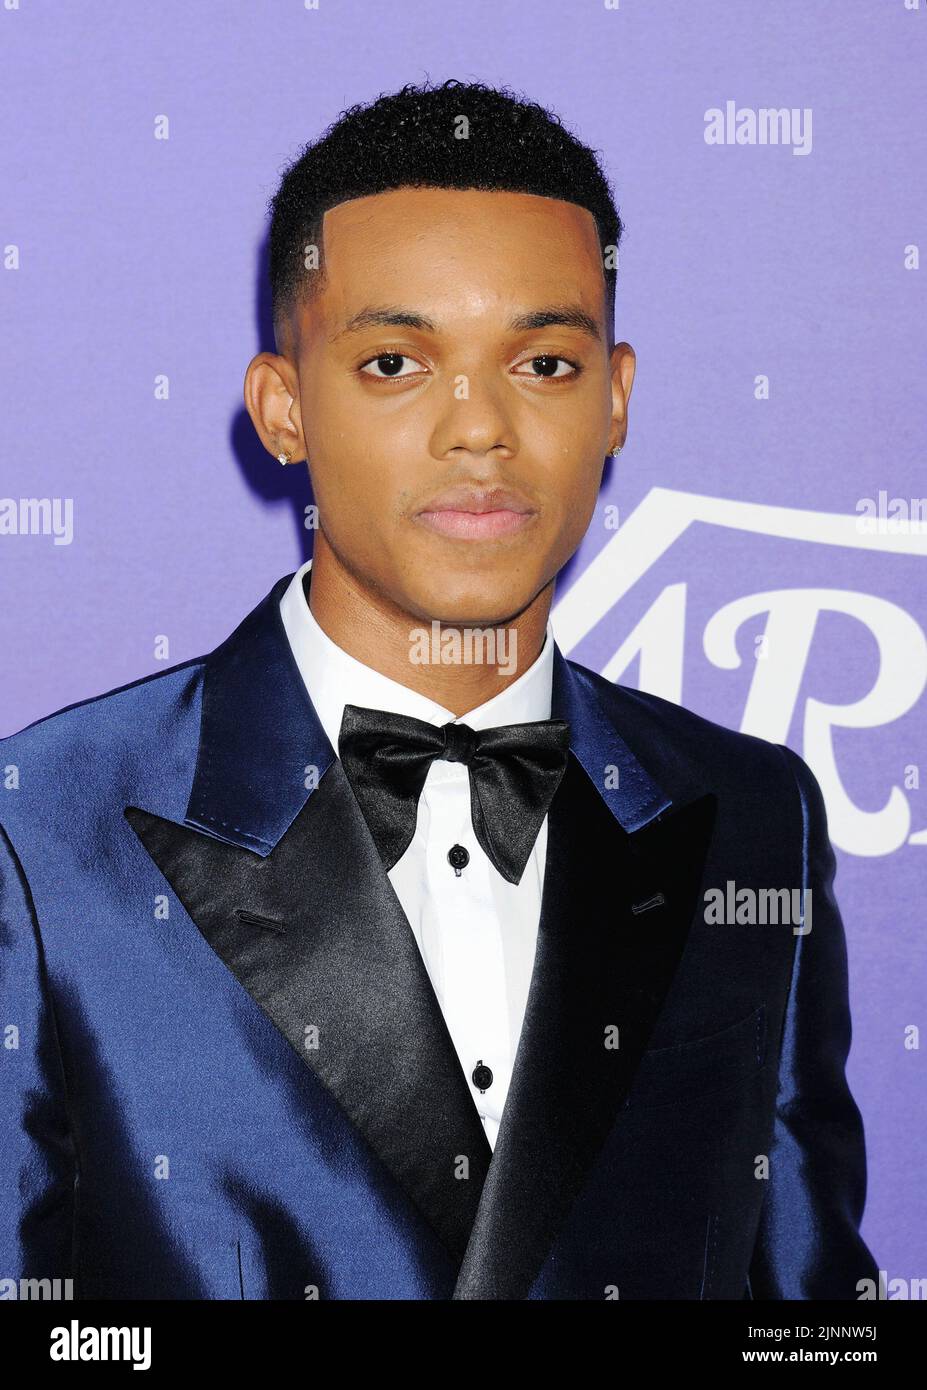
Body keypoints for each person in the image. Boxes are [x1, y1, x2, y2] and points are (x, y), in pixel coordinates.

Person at [0, 78, 877, 1300]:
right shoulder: (43, 827)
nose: (480, 427)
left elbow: (812, 1310)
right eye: (399, 361)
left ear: (617, 396)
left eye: (546, 361)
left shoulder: (751, 812)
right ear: (284, 407)